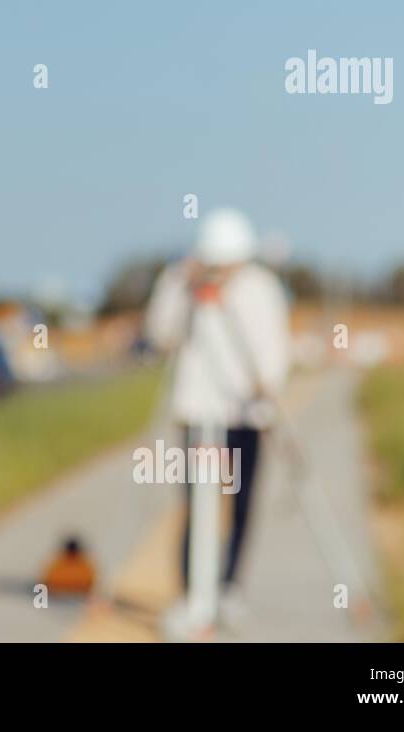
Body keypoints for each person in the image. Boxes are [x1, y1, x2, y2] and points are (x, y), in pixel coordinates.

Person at [142, 208, 290, 635]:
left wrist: (269, 390)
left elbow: (273, 349)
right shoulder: (181, 282)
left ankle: (228, 588)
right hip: (198, 413)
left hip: (245, 414)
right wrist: (181, 290)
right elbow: (161, 335)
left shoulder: (261, 288)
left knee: (240, 503)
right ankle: (193, 594)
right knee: (196, 504)